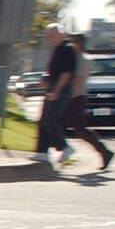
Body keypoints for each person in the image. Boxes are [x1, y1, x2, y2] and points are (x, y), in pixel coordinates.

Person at [59, 34, 114, 169]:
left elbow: (79, 80)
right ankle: (61, 152)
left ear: (78, 43)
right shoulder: (73, 58)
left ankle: (105, 152)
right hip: (68, 97)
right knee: (54, 124)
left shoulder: (85, 59)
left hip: (76, 98)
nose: (69, 45)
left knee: (79, 130)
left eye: (72, 42)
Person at [33, 24, 75, 163]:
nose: (47, 38)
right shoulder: (57, 49)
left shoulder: (67, 49)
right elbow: (53, 71)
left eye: (49, 35)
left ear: (59, 34)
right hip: (52, 88)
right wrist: (46, 80)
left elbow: (66, 73)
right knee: (42, 120)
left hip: (60, 90)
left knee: (50, 120)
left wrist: (56, 91)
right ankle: (41, 153)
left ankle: (64, 147)